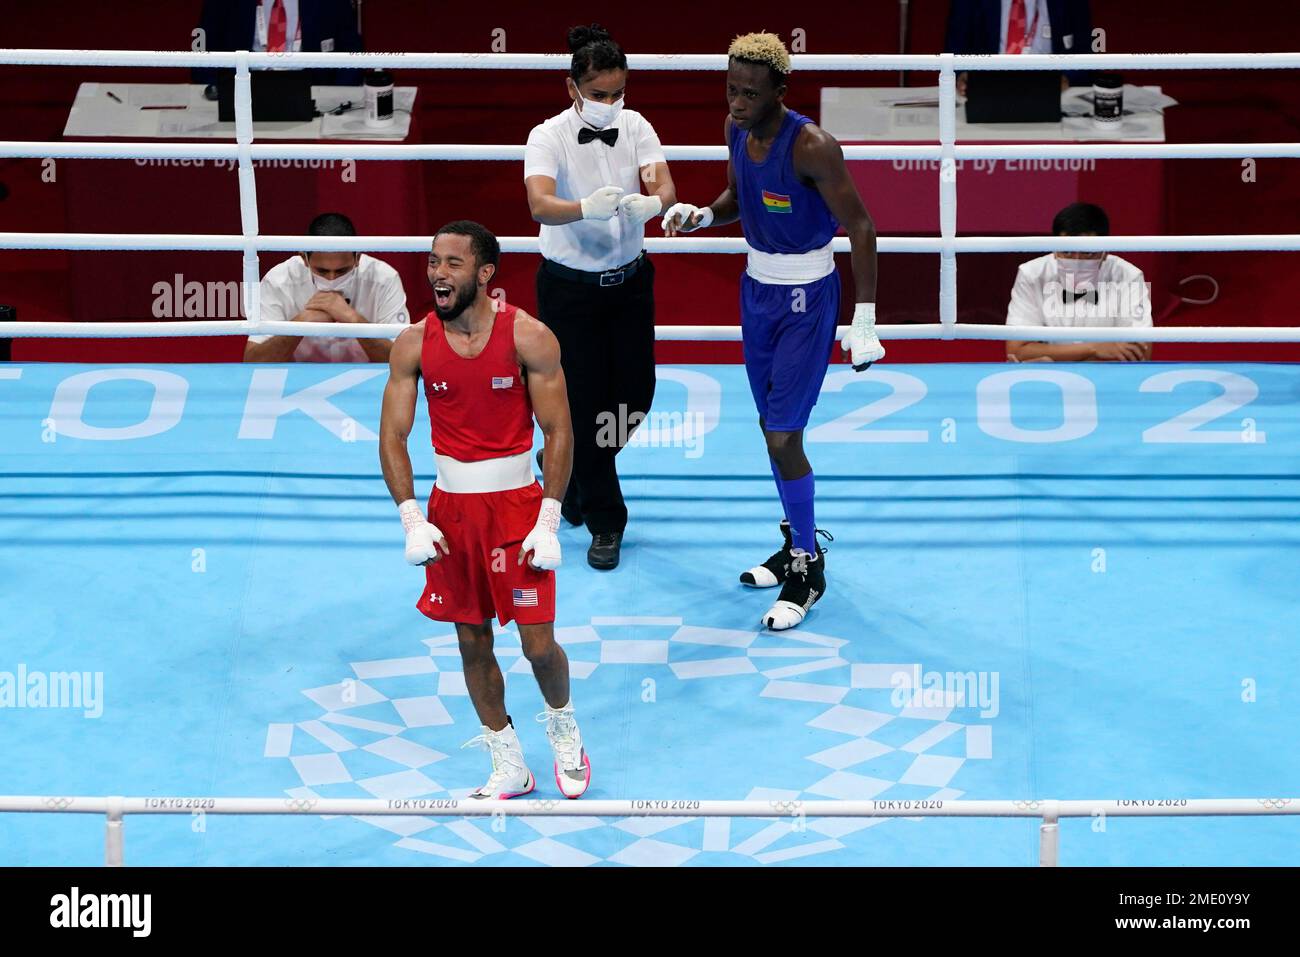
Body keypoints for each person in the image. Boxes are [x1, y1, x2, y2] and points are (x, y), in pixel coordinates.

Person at [662, 32, 883, 631]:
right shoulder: (736, 128)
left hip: (809, 299)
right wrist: (705, 214)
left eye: (750, 93)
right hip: (756, 292)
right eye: (731, 89)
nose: (736, 101)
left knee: (785, 436)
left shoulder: (812, 146)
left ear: (779, 93)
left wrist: (863, 320)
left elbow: (860, 227)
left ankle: (808, 566)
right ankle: (797, 539)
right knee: (770, 428)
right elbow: (741, 195)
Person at [379, 220, 590, 800]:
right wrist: (411, 517)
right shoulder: (413, 343)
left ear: (484, 273)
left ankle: (564, 728)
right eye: (432, 262)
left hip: (518, 508)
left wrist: (549, 520)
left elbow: (559, 430)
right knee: (472, 644)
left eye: (451, 264)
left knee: (539, 647)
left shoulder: (529, 337)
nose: (437, 274)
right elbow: (393, 437)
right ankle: (507, 760)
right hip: (452, 514)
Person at [524, 23, 678, 570]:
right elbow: (540, 205)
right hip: (570, 292)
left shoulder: (636, 126)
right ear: (573, 88)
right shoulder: (547, 136)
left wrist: (652, 204)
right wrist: (584, 207)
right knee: (586, 404)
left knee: (635, 397)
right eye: (599, 94)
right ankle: (605, 521)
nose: (610, 104)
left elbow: (664, 185)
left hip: (630, 283)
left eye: (618, 92)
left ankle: (566, 468)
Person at [244, 213, 408, 362]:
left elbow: (405, 361)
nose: (331, 279)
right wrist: (298, 325)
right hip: (296, 383)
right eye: (322, 271)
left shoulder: (384, 278)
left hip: (365, 381)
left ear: (357, 258)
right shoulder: (278, 281)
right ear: (304, 258)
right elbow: (253, 361)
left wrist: (354, 321)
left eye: (342, 271)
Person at [1005, 202, 1153, 362]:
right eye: (1067, 251)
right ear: (1054, 249)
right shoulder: (1031, 274)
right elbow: (1016, 351)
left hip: (1107, 378)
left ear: (1105, 251)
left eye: (1087, 252)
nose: (1077, 260)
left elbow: (1141, 353)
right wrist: (1095, 349)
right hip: (1050, 377)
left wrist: (1050, 353)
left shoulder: (1129, 275)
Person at [193, 0, 363, 88]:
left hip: (310, 89)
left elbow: (352, 50)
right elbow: (202, 49)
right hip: (242, 89)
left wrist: (334, 97)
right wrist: (216, 91)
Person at [945, 0, 1094, 95]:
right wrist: (962, 74)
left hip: (1048, 91)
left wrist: (1067, 77)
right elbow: (954, 49)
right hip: (988, 90)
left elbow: (1085, 52)